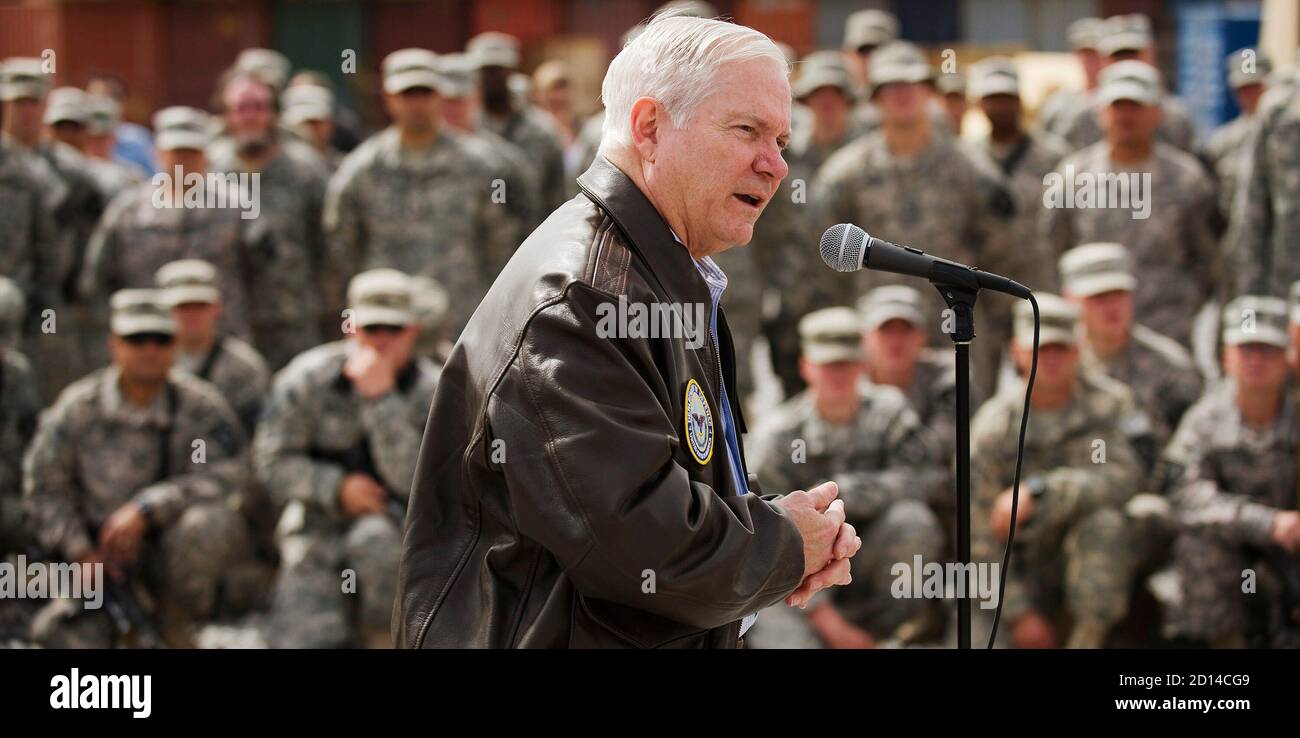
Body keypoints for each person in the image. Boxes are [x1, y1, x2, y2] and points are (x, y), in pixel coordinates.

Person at [395, 15, 860, 649]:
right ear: (649, 129)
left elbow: (670, 485)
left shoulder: (653, 270)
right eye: (747, 130)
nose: (775, 165)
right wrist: (783, 544)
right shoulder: (584, 298)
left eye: (781, 139)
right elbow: (643, 547)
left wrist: (781, 540)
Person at [23, 289, 255, 647]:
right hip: (94, 558)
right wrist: (80, 550)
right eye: (137, 339)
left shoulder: (200, 406)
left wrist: (147, 509)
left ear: (175, 345)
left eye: (161, 340)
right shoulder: (77, 409)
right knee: (59, 632)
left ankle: (182, 621)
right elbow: (43, 488)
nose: (149, 350)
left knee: (208, 523)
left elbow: (230, 475)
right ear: (114, 345)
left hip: (167, 551)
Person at [810, 40, 1016, 397]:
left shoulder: (970, 168)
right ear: (875, 97)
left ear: (929, 92)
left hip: (954, 323)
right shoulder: (846, 173)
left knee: (963, 420)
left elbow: (1001, 250)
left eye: (912, 85)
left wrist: (1001, 321)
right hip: (878, 330)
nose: (902, 95)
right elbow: (823, 253)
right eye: (891, 87)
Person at [255, 269, 438, 648]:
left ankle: (385, 637)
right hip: (317, 530)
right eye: (372, 329)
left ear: (413, 331)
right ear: (350, 328)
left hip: (400, 536)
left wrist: (382, 399)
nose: (382, 340)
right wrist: (336, 487)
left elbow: (415, 483)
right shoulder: (306, 379)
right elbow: (270, 462)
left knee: (375, 543)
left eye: (393, 329)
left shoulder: (435, 391)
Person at [747, 308, 945, 648]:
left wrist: (856, 493)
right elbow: (760, 531)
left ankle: (890, 637)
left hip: (867, 561)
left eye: (847, 363)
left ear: (864, 364)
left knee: (913, 522)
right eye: (829, 365)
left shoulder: (889, 412)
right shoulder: (778, 436)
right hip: (795, 579)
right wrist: (829, 622)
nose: (838, 375)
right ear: (806, 367)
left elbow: (930, 479)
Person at [970, 294, 1142, 648]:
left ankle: (1089, 637)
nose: (1049, 360)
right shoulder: (993, 427)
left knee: (1112, 521)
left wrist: (1040, 492)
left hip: (1088, 558)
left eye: (1059, 349)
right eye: (1039, 349)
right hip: (1016, 569)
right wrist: (1019, 613)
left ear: (1077, 351)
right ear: (1017, 352)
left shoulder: (1109, 405)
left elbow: (1125, 478)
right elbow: (977, 533)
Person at [323, 48, 521, 334]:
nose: (417, 104)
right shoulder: (361, 170)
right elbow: (341, 251)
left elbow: (502, 245)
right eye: (407, 94)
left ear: (439, 95)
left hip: (463, 323)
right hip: (385, 327)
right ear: (388, 98)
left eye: (425, 93)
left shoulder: (482, 166)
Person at [1040, 61, 1216, 346]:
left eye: (1136, 106)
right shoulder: (1071, 177)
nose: (1126, 115)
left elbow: (1207, 258)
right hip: (1091, 334)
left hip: (1168, 328)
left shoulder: (1187, 179)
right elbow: (1051, 252)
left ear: (1157, 114)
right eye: (1117, 106)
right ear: (1100, 112)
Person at [1160, 296, 1299, 647]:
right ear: (1226, 357)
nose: (1256, 361)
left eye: (1267, 351)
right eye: (1246, 350)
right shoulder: (1204, 420)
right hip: (1234, 545)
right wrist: (1265, 523)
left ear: (1287, 358)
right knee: (1199, 545)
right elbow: (1182, 494)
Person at [81, 106, 277, 351]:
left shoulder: (238, 207)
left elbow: (267, 276)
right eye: (176, 153)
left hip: (222, 347)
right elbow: (96, 280)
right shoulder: (129, 210)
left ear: (206, 155)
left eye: (191, 153)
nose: (183, 162)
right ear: (157, 154)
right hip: (147, 344)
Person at [208, 73, 327, 368]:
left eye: (259, 107)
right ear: (226, 116)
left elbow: (329, 246)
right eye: (241, 108)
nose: (250, 117)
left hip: (294, 322)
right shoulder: (211, 171)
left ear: (274, 113)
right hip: (230, 325)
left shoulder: (306, 171)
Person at [1058, 242, 1202, 481]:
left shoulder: (1171, 366)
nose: (1111, 307)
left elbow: (1194, 439)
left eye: (1119, 294)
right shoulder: (1054, 364)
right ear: (1069, 299)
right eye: (1098, 297)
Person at [155, 259, 269, 436]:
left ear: (217, 307)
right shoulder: (148, 363)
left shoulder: (244, 368)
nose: (192, 314)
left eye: (200, 305)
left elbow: (257, 433)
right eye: (182, 307)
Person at [858, 285, 963, 469]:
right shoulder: (847, 381)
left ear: (922, 336)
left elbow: (942, 447)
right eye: (885, 330)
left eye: (905, 330)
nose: (895, 341)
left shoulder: (949, 377)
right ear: (865, 338)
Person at [467, 32, 567, 211]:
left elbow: (557, 195)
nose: (491, 79)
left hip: (533, 226)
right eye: (486, 72)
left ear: (511, 72)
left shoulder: (541, 130)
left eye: (498, 71)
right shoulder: (466, 129)